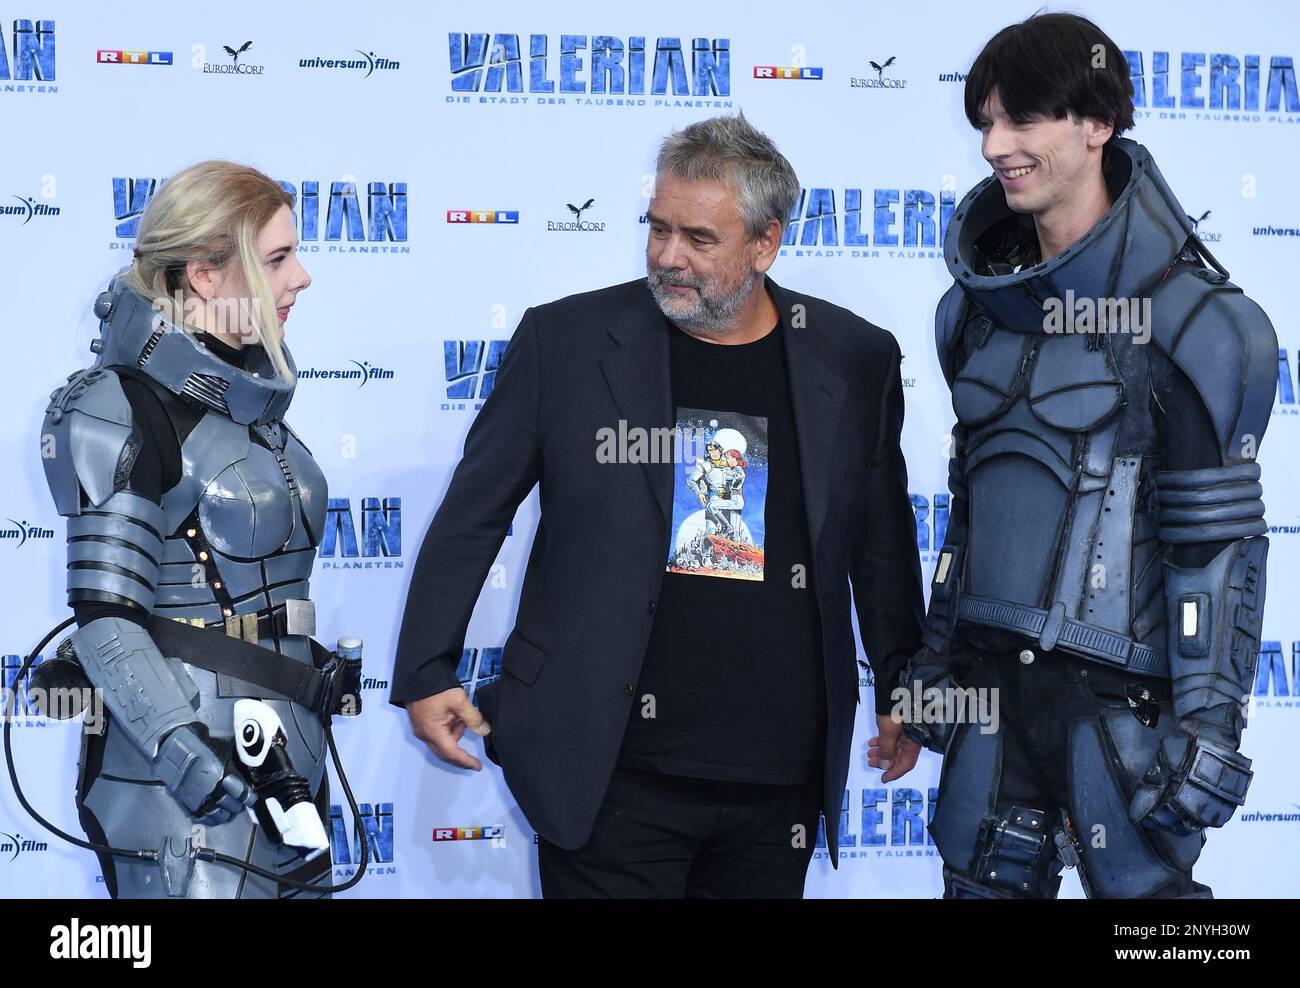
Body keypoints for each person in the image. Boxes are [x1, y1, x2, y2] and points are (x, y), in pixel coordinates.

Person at [391, 113, 925, 898]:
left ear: (766, 244)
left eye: (699, 239)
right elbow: (475, 512)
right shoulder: (567, 343)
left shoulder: (853, 356)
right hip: (607, 771)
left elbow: (880, 542)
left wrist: (901, 684)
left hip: (776, 782)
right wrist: (427, 665)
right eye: (658, 229)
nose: (668, 257)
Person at [876, 12, 1278, 899]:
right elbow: (972, 519)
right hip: (989, 706)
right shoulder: (970, 314)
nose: (994, 145)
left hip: (1122, 712)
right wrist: (932, 679)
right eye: (984, 121)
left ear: (1097, 124)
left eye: (1021, 120)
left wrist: (1208, 734)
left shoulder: (1204, 326)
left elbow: (1214, 547)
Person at [38, 160, 341, 898]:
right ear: (205, 275)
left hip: (288, 762)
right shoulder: (118, 409)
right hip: (180, 780)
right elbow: (107, 622)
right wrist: (181, 752)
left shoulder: (256, 416)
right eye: (277, 259)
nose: (301, 277)